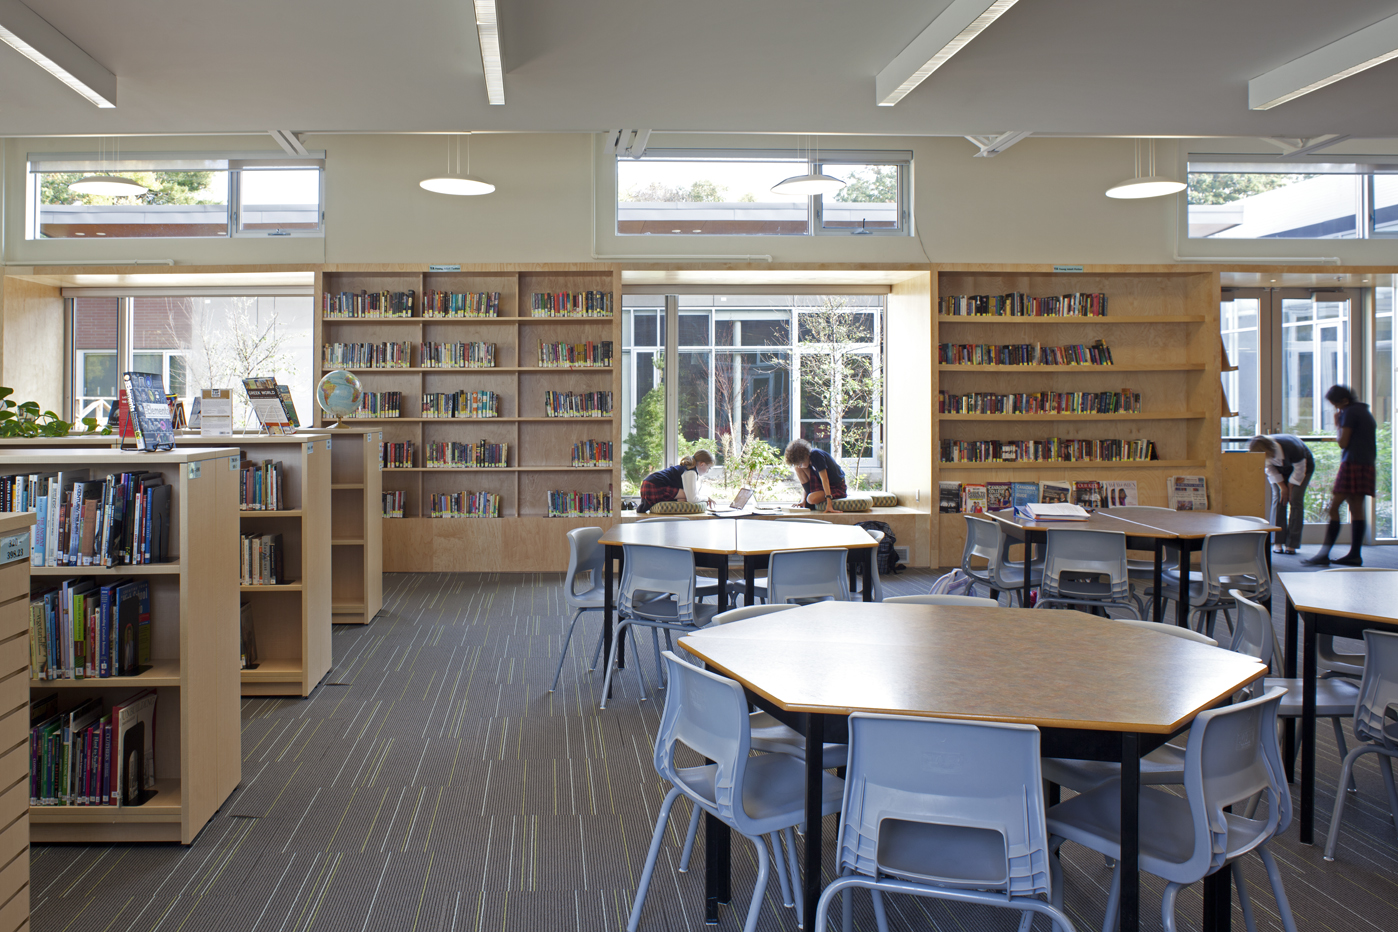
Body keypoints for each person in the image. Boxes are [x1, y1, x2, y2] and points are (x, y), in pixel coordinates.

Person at [1302, 385, 1376, 567]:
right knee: (1356, 508)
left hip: (1352, 463)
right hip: (1366, 463)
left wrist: (1337, 425)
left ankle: (1324, 554)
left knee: (1334, 507)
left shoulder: (1349, 412)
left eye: (1336, 404)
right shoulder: (1364, 411)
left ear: (1343, 401)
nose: (1336, 409)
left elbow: (1343, 442)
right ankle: (1354, 555)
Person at [1247, 434, 1314, 554]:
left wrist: (1290, 487)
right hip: (1279, 470)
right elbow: (1269, 469)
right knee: (1279, 498)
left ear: (1268, 450)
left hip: (1303, 468)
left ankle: (1292, 543)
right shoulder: (1262, 454)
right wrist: (1283, 487)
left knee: (1295, 499)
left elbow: (1299, 469)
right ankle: (1277, 541)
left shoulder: (1293, 447)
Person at [637, 450, 714, 514]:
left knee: (685, 497)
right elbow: (692, 498)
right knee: (686, 496)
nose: (708, 471)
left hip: (648, 484)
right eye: (709, 468)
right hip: (653, 486)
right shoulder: (691, 472)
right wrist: (706, 498)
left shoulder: (688, 469)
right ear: (702, 464)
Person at [784, 437, 847, 514]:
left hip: (836, 486)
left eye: (800, 463)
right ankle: (807, 503)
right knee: (797, 468)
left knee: (811, 499)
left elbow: (825, 480)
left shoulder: (817, 455)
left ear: (806, 456)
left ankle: (809, 502)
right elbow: (809, 484)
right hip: (821, 484)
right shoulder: (808, 461)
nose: (800, 466)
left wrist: (829, 503)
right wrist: (802, 500)